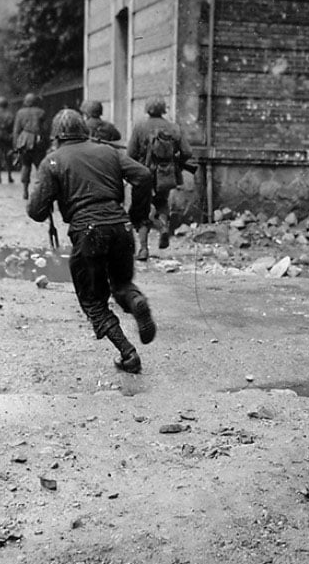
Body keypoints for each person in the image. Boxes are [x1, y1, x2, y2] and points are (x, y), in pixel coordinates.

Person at [27, 109, 157, 374]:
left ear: (56, 136)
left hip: (88, 233)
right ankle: (138, 303)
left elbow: (35, 211)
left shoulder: (52, 161)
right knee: (122, 285)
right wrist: (136, 215)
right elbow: (143, 175)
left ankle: (128, 354)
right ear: (83, 130)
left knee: (94, 302)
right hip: (121, 227)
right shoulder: (108, 152)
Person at [126, 96, 195, 260]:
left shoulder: (139, 127)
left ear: (147, 109)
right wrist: (176, 163)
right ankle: (164, 226)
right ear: (164, 109)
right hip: (166, 174)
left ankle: (143, 249)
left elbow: (130, 154)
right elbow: (187, 152)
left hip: (143, 174)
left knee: (141, 211)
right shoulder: (173, 127)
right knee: (162, 203)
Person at [12, 93, 47, 201]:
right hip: (38, 142)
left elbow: (16, 130)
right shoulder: (41, 112)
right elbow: (45, 129)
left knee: (25, 165)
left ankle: (25, 190)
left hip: (24, 142)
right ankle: (40, 190)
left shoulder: (20, 113)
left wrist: (16, 145)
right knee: (40, 167)